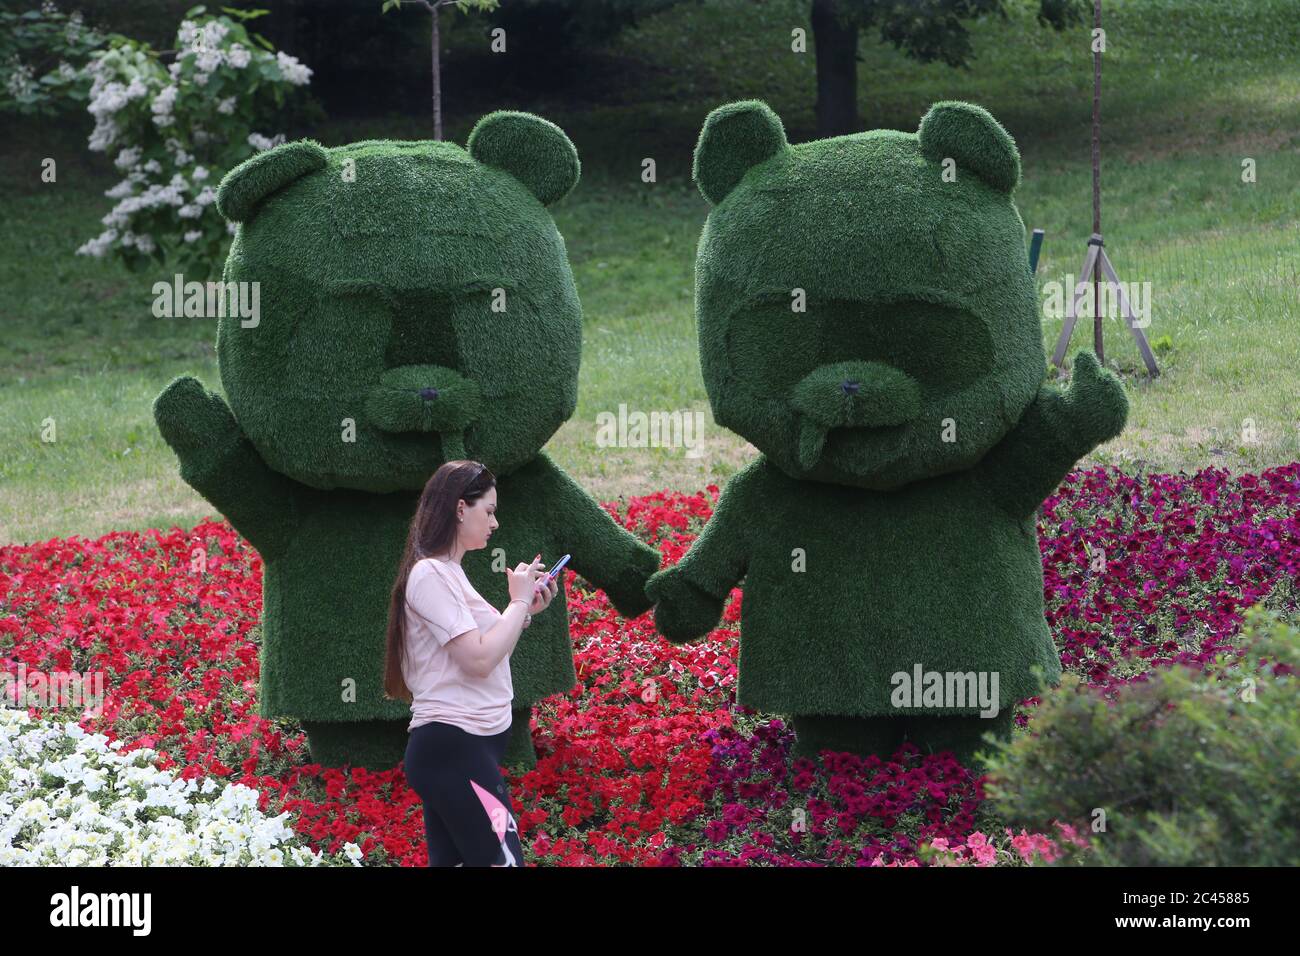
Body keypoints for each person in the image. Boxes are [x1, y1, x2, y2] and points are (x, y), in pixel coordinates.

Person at [383, 459, 559, 867]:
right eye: (490, 511)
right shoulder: (430, 574)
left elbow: (486, 653)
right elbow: (479, 659)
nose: (495, 523)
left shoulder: (450, 573)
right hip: (452, 747)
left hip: (461, 748)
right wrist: (516, 601)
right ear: (461, 508)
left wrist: (523, 611)